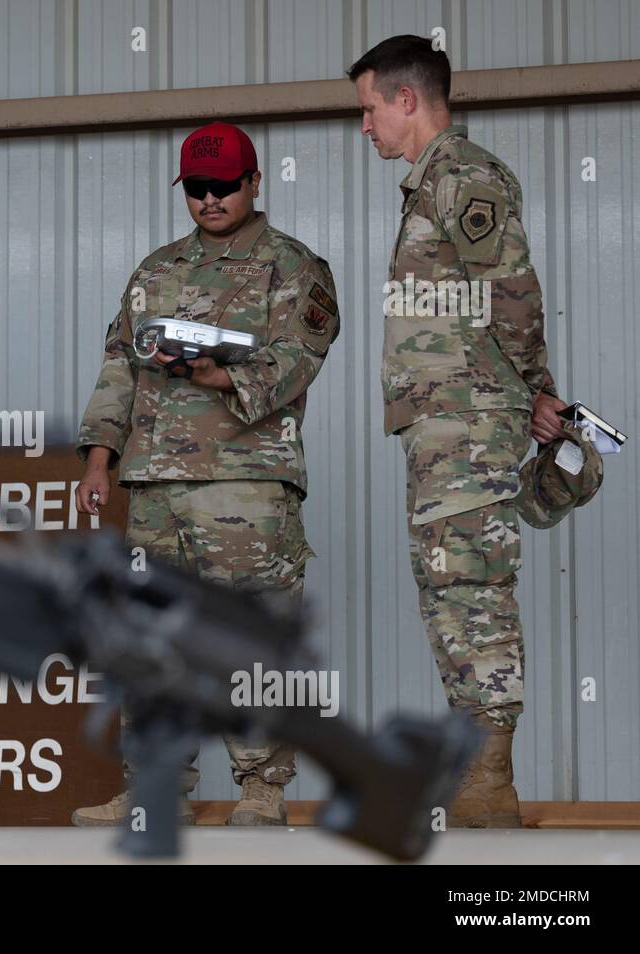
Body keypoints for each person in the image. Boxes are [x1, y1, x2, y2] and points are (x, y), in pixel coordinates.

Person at [71, 122, 340, 828]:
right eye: (197, 187)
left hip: (246, 480)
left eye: (224, 185)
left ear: (256, 183)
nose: (211, 198)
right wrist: (100, 456)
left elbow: (297, 358)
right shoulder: (155, 272)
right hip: (155, 481)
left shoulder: (294, 266)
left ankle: (260, 790)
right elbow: (118, 368)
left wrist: (219, 373)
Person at [349, 35, 565, 827]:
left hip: (470, 424)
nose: (364, 126)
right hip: (444, 427)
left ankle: (490, 780)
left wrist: (536, 390)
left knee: (472, 587)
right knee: (450, 586)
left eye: (369, 109)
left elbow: (511, 291)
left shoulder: (464, 179)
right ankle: (479, 773)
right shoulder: (432, 183)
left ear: (407, 99)